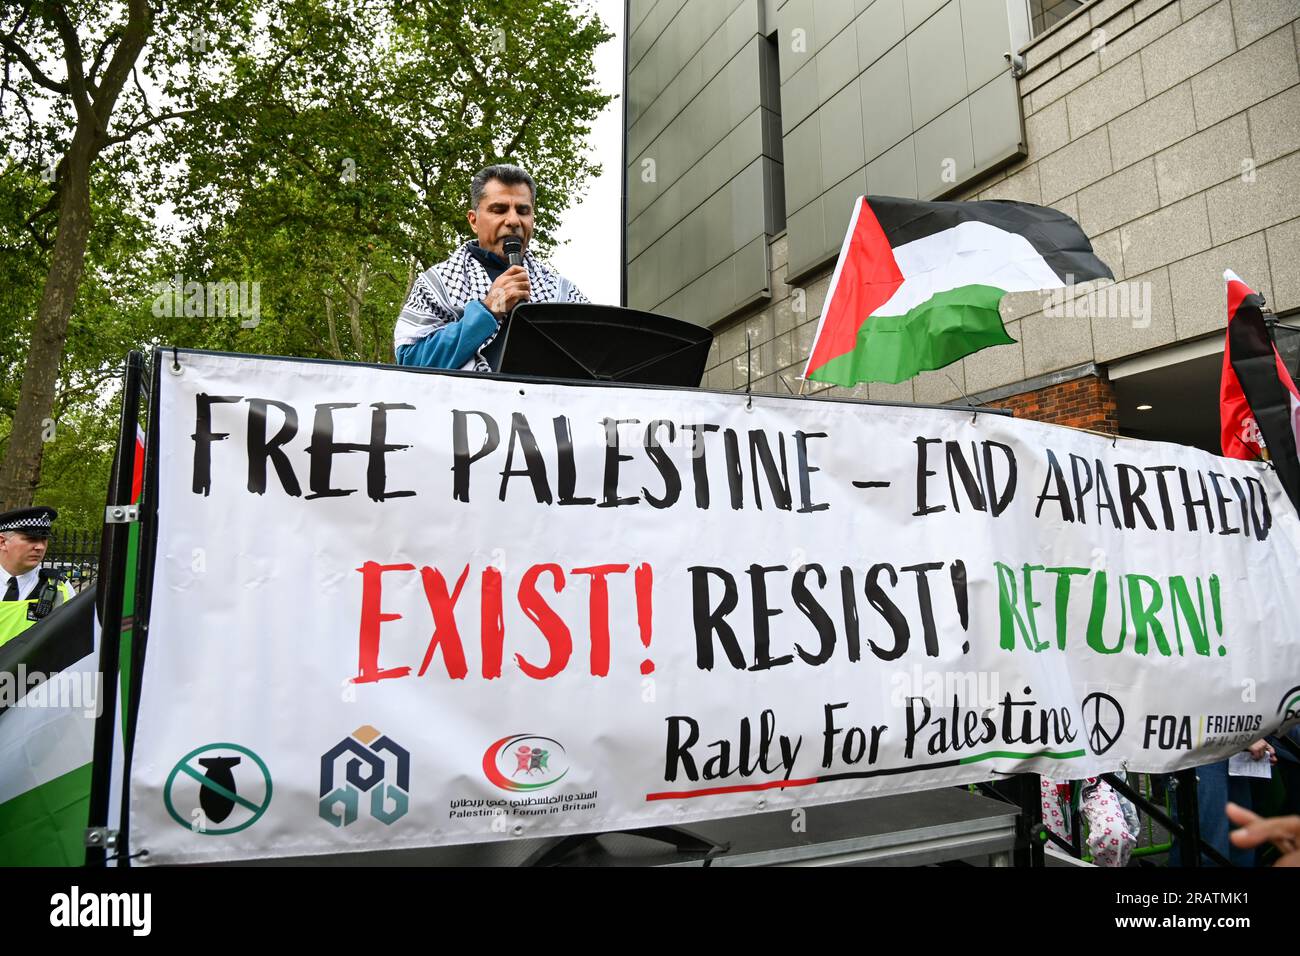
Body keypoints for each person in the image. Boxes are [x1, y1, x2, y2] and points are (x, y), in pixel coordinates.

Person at [393, 163, 588, 371]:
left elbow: (598, 355)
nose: (513, 220)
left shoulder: (561, 291)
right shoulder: (436, 283)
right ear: (473, 221)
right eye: (499, 210)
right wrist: (489, 309)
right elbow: (409, 362)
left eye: (523, 211)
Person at [0, 506, 74, 648]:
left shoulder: (60, 586)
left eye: (44, 539)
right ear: (3, 542)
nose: (40, 547)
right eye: (31, 539)